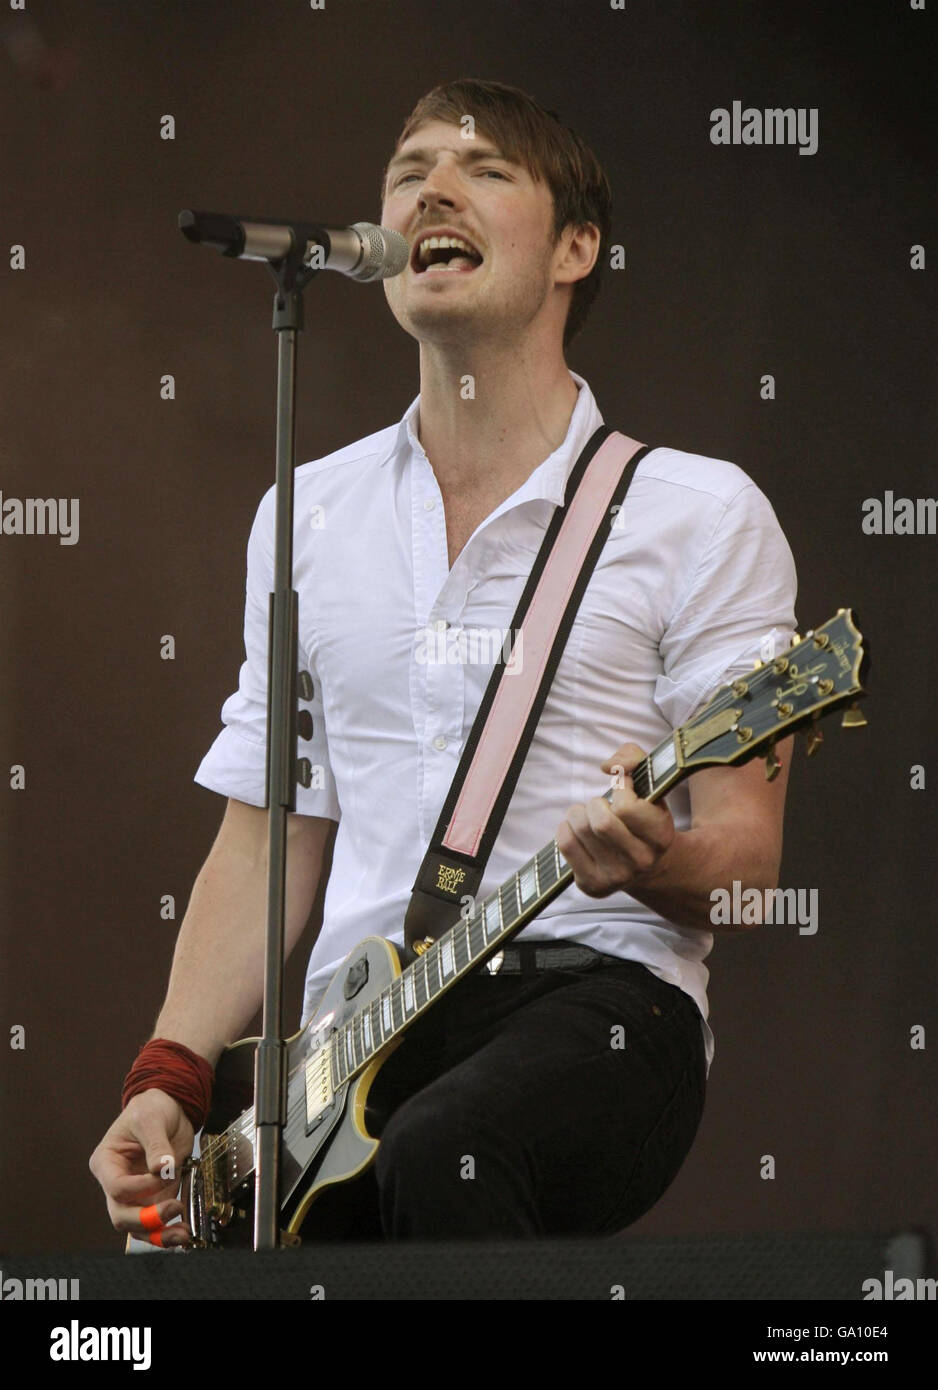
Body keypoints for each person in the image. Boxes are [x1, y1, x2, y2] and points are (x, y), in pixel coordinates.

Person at [89, 78, 797, 1245]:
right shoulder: (306, 512)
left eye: (483, 170)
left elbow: (747, 867)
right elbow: (269, 831)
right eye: (409, 169)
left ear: (577, 247)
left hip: (596, 1000)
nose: (431, 188)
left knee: (448, 1149)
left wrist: (649, 854)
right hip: (352, 1045)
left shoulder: (695, 511)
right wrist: (166, 1070)